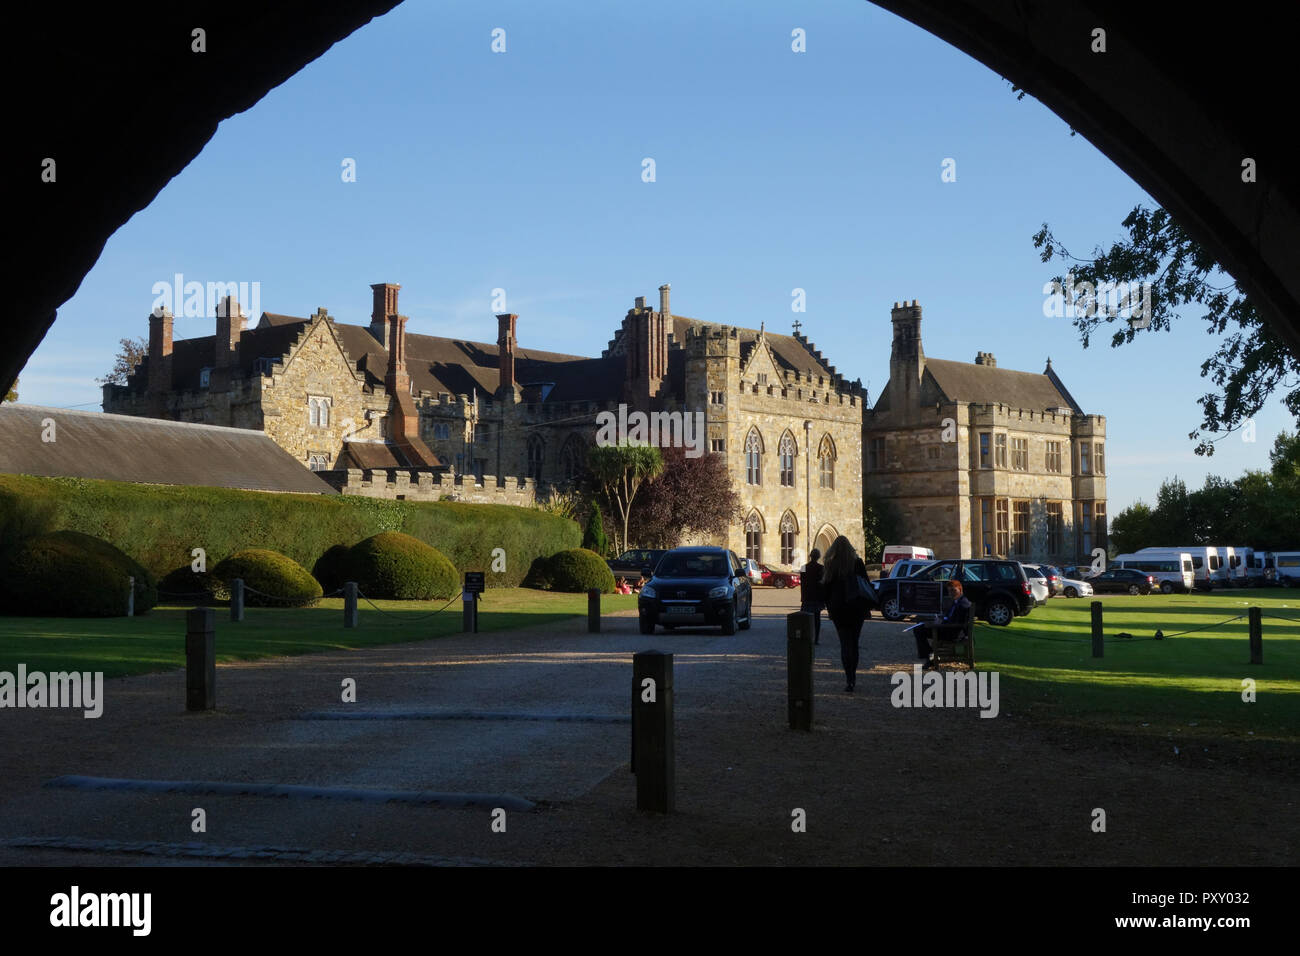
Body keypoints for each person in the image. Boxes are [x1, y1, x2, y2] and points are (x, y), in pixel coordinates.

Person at [822, 536, 875, 692]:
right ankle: (853, 677)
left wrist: (829, 606)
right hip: (856, 607)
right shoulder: (857, 563)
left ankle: (849, 679)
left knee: (845, 643)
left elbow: (825, 589)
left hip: (839, 609)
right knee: (854, 642)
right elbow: (866, 583)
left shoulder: (832, 564)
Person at [914, 579, 973, 669]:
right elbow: (949, 617)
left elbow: (957, 623)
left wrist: (941, 623)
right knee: (920, 628)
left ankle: (929, 656)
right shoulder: (957, 601)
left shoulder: (963, 604)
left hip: (953, 634)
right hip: (947, 629)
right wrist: (941, 620)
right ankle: (930, 655)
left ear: (960, 590)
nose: (951, 593)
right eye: (949, 591)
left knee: (919, 630)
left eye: (953, 590)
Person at [800, 548, 825, 644]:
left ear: (811, 556)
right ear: (818, 557)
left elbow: (802, 584)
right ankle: (816, 639)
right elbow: (822, 583)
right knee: (817, 619)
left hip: (807, 596)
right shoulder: (821, 568)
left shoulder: (803, 567)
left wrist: (802, 596)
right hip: (816, 597)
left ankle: (805, 637)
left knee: (805, 619)